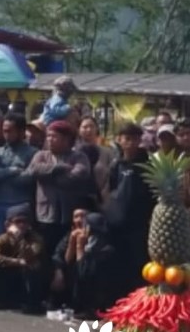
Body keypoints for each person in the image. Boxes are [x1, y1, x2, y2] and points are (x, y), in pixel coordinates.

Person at [106, 121, 155, 296]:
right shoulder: (116, 165)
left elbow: (152, 193)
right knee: (119, 265)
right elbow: (112, 189)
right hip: (118, 224)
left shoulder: (147, 164)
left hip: (139, 225)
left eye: (135, 139)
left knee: (138, 266)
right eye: (127, 138)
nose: (131, 143)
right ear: (119, 140)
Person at [26, 121, 90, 252]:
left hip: (69, 217)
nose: (49, 139)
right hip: (45, 217)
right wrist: (58, 168)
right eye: (48, 136)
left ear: (66, 139)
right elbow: (33, 170)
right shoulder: (41, 155)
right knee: (44, 252)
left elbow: (78, 176)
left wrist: (47, 177)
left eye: (54, 136)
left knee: (67, 252)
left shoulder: (79, 157)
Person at [0, 204, 48, 312]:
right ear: (8, 224)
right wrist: (16, 262)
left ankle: (32, 303)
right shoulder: (3, 239)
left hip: (30, 277)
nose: (22, 225)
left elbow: (30, 257)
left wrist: (20, 239)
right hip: (12, 274)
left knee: (33, 265)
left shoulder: (36, 238)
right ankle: (3, 300)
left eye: (25, 222)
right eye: (18, 222)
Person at [52, 210, 115, 317]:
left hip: (97, 293)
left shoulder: (105, 248)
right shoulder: (80, 238)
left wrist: (80, 247)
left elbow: (83, 272)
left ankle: (88, 309)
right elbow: (66, 261)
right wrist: (72, 242)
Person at [0, 114, 37, 239]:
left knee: (20, 244)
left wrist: (1, 174)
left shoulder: (33, 153)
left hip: (21, 205)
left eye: (9, 131)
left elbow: (27, 178)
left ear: (21, 131)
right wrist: (11, 171)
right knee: (0, 244)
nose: (6, 134)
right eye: (4, 131)